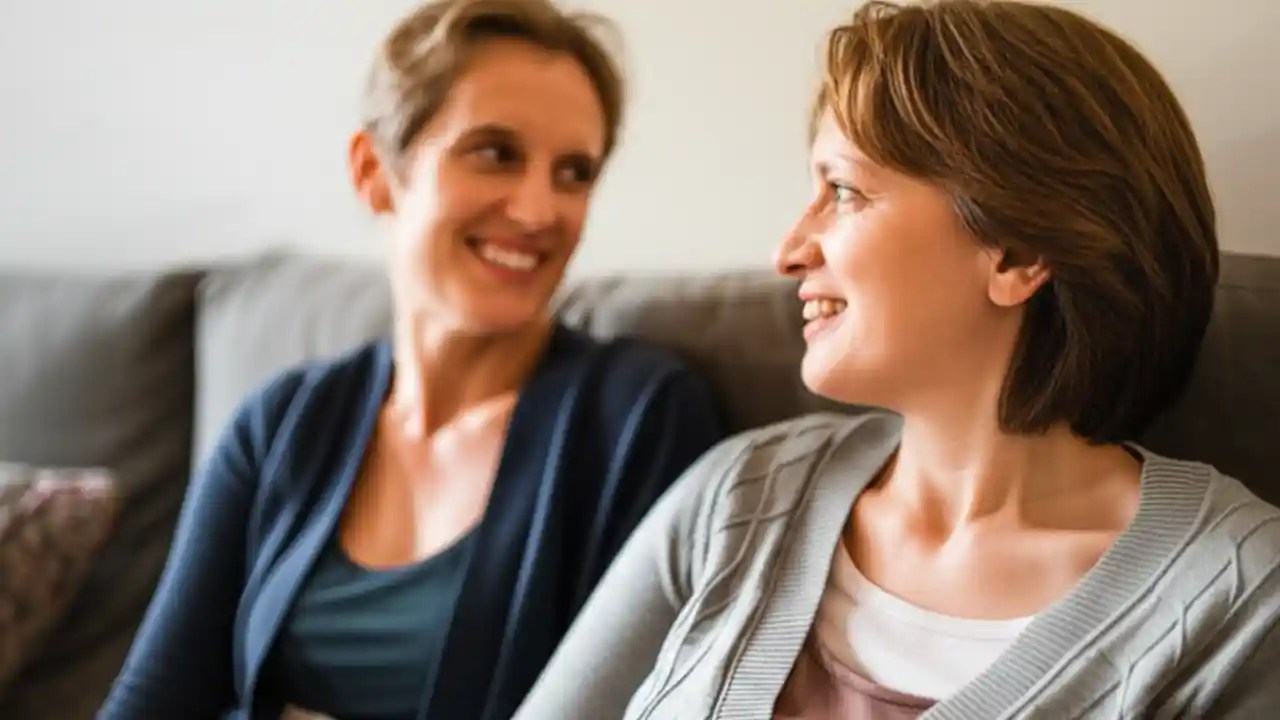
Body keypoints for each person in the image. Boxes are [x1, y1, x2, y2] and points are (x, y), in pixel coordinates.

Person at [515, 1, 1280, 718]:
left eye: (843, 191)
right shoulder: (735, 496)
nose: (788, 251)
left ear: (1016, 251)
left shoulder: (1239, 606)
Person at [99, 1, 724, 718]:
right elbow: (154, 699)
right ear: (374, 170)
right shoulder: (283, 424)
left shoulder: (638, 419)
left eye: (574, 172)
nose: (537, 210)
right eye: (496, 152)